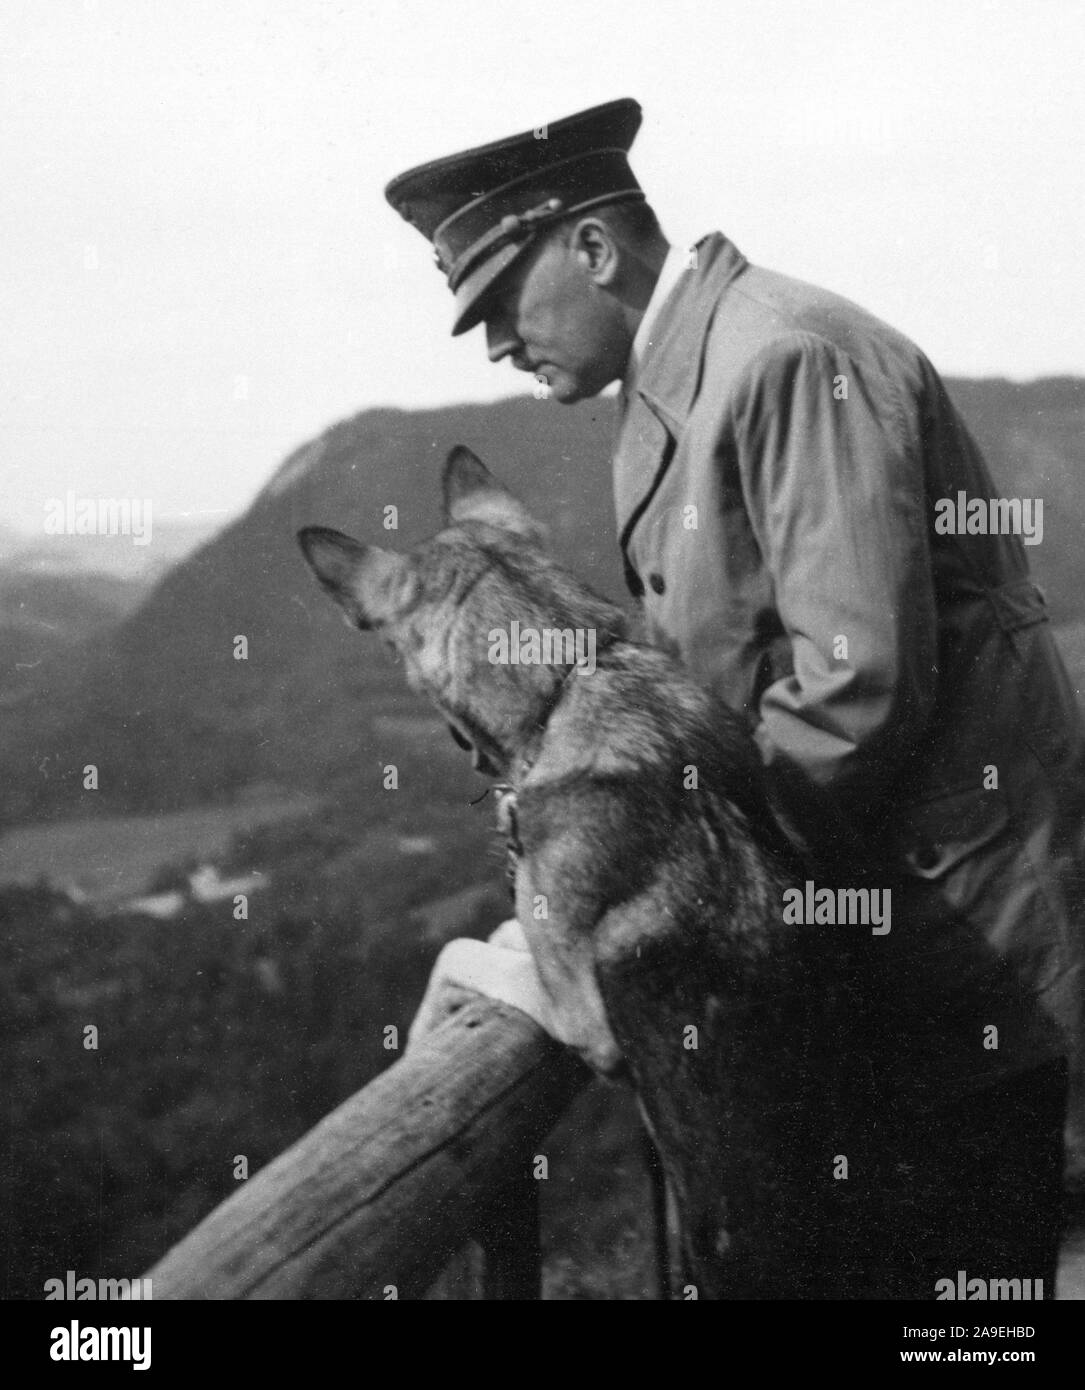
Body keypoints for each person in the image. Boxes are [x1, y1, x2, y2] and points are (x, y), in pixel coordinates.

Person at [385, 98, 1085, 1297]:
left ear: (595, 249)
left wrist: (677, 893)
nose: (495, 342)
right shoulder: (680, 380)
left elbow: (853, 690)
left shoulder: (780, 359)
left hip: (951, 951)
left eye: (502, 300)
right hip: (868, 948)